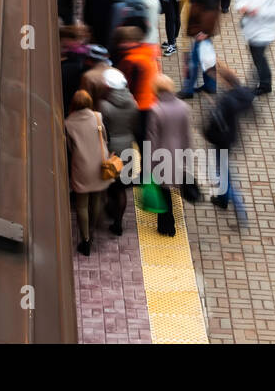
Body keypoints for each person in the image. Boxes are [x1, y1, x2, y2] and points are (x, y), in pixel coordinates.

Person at [64, 90, 112, 256]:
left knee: (81, 205)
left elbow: (70, 148)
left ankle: (85, 239)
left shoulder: (68, 123)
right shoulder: (97, 116)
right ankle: (93, 226)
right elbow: (104, 137)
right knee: (96, 199)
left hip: (81, 166)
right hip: (100, 163)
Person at [145, 75, 193, 236]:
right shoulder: (184, 107)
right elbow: (187, 135)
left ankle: (167, 226)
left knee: (164, 192)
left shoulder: (156, 110)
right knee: (172, 189)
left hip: (161, 158)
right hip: (179, 154)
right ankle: (168, 224)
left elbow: (151, 139)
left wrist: (149, 166)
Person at [97, 68, 139, 235]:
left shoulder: (104, 105)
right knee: (121, 188)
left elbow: (100, 129)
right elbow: (135, 125)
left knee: (109, 183)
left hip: (110, 149)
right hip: (128, 148)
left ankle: (109, 210)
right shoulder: (133, 102)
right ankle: (118, 223)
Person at [206, 65, 251, 220]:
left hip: (221, 140)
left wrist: (213, 109)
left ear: (226, 82)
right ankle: (222, 198)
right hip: (231, 138)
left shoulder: (227, 100)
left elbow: (215, 120)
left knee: (224, 173)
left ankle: (239, 208)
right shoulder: (241, 94)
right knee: (224, 170)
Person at [180, 0, 222, 98]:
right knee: (206, 58)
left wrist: (204, 31)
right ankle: (210, 86)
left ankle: (188, 90)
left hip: (201, 31)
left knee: (193, 61)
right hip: (202, 30)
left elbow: (211, 12)